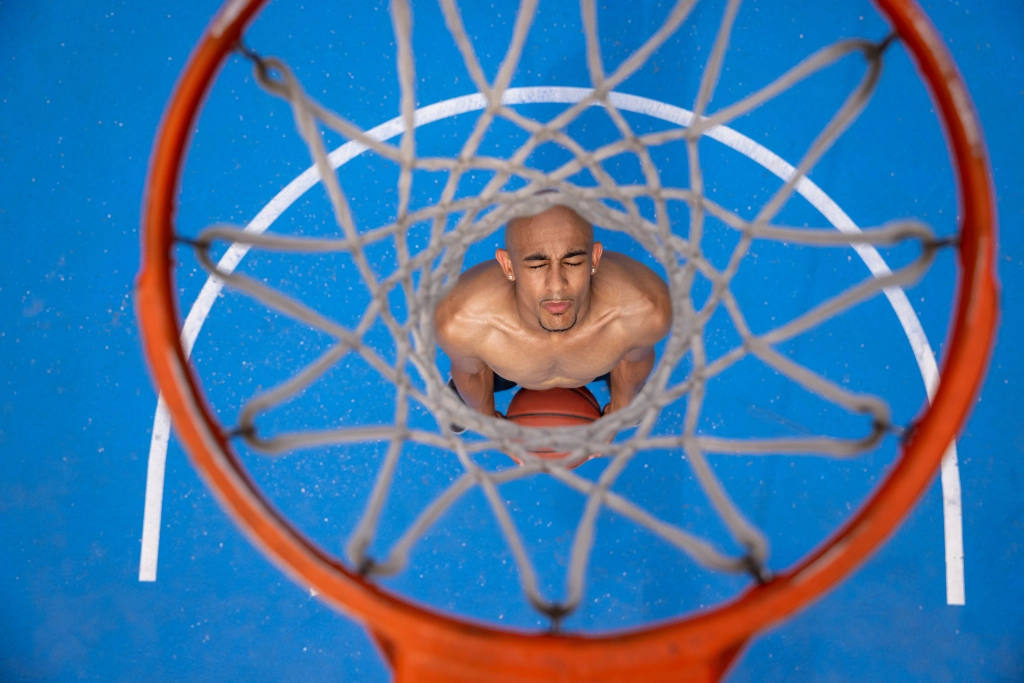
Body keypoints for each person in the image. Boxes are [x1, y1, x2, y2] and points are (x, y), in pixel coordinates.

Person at [434, 199, 672, 424]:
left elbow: (636, 360)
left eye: (573, 262)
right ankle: (463, 395)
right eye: (537, 266)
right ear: (508, 266)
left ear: (594, 260)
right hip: (502, 361)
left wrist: (621, 410)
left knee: (630, 382)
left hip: (604, 352)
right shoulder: (461, 320)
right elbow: (472, 375)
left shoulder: (645, 309)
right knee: (470, 370)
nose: (557, 285)